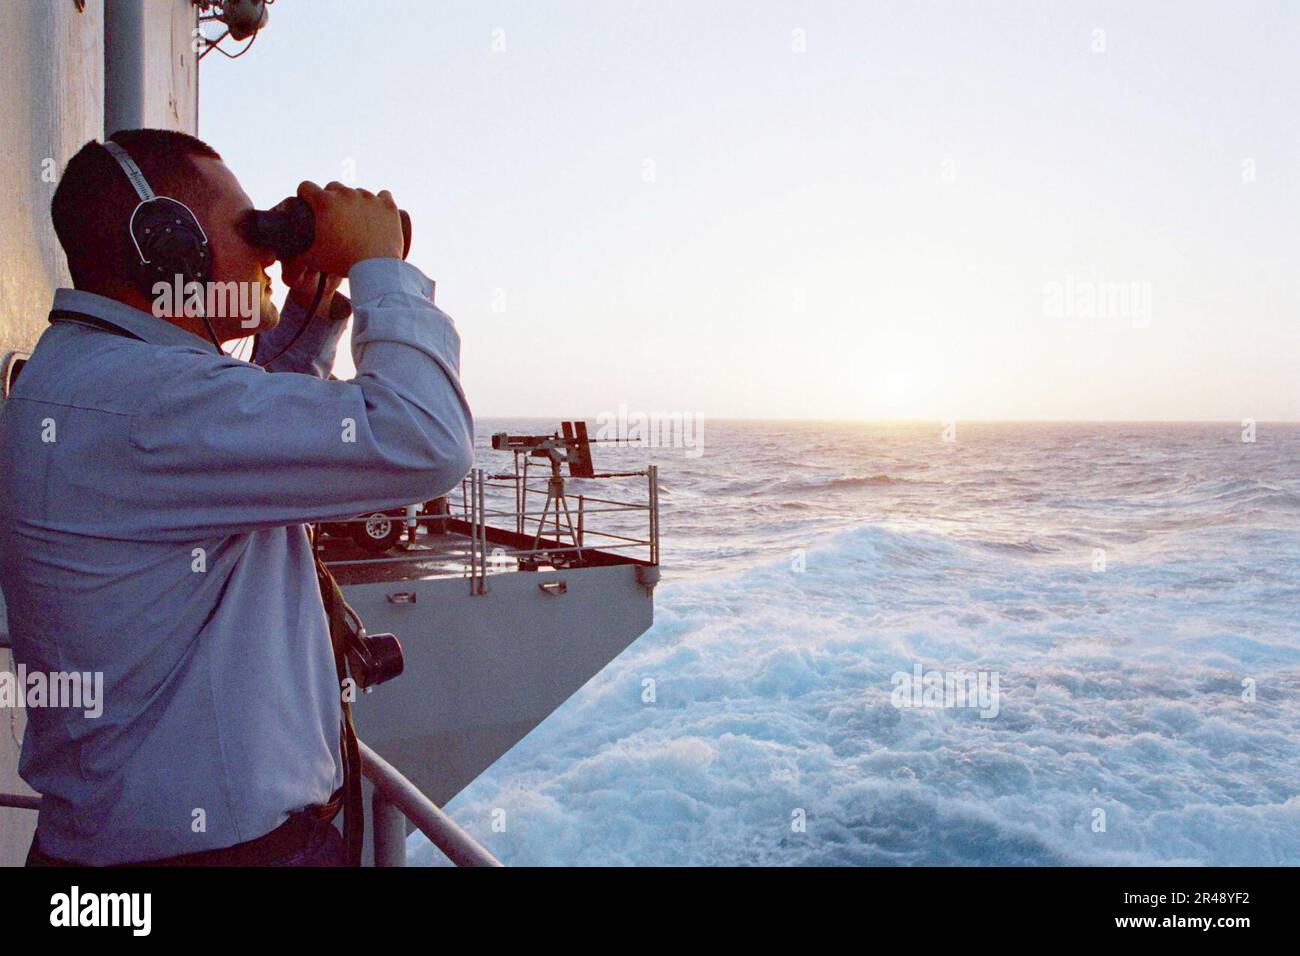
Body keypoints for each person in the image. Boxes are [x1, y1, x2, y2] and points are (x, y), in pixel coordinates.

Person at [0, 128, 474, 865]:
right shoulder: (153, 401)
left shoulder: (88, 378)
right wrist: (382, 267)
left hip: (115, 853)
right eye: (251, 229)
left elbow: (237, 443)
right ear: (169, 249)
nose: (267, 252)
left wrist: (311, 321)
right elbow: (424, 439)